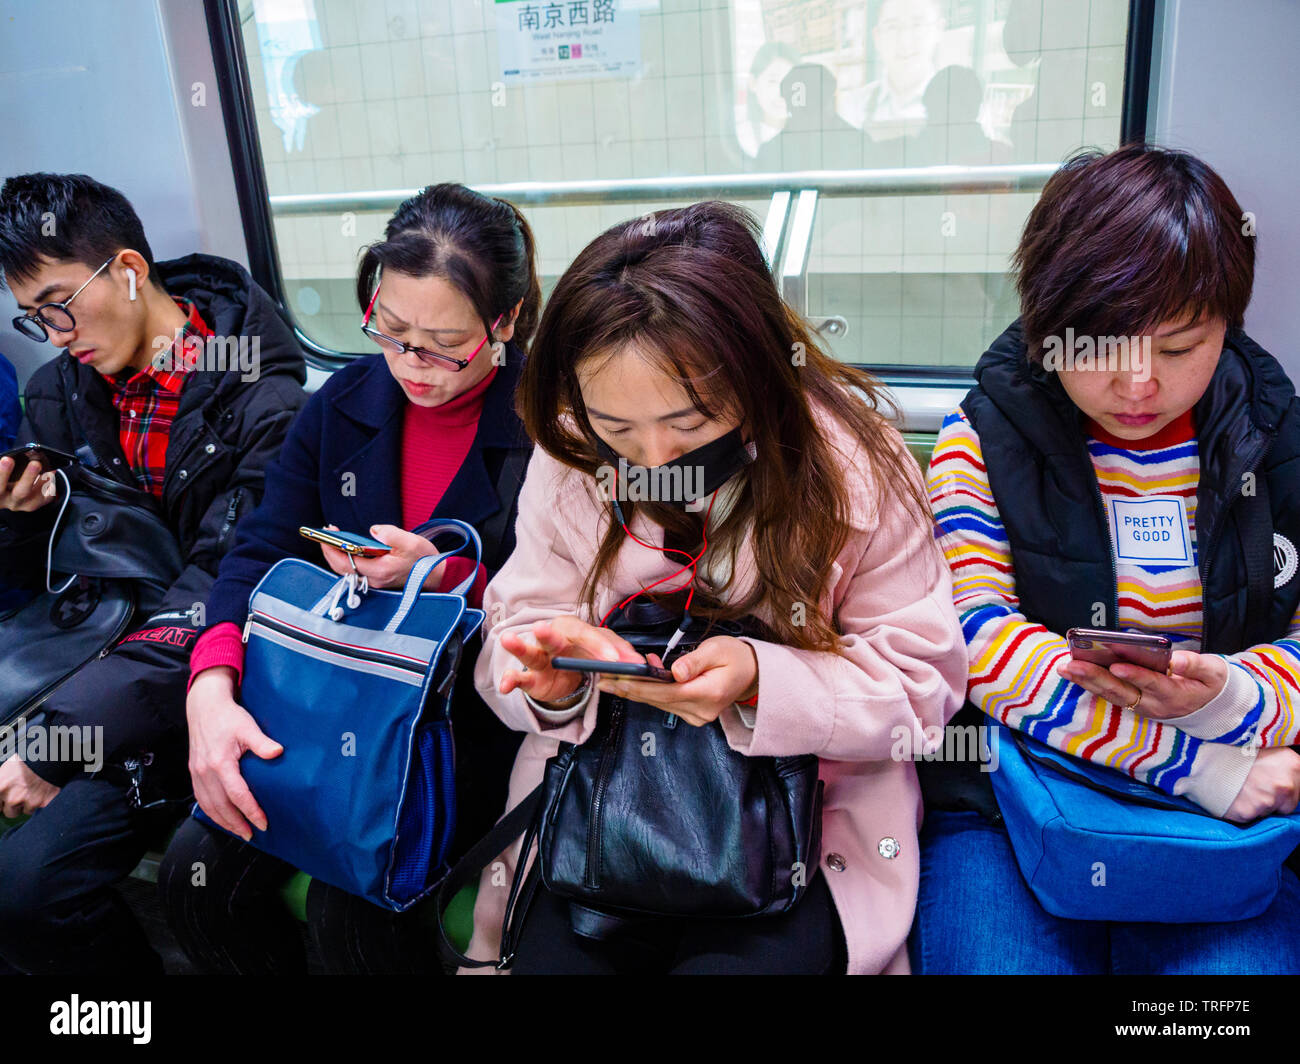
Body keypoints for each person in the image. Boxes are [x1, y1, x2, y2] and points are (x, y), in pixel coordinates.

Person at [462, 200, 967, 975]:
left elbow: (923, 685)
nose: (656, 455)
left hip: (806, 824)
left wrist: (763, 681)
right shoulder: (566, 459)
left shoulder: (858, 467)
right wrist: (553, 681)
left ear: (758, 370)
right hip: (598, 813)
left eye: (690, 421)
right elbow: (516, 630)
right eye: (618, 429)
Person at [918, 144, 1300, 974]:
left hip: (1226, 809)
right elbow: (976, 645)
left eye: (1177, 349)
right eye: (1098, 346)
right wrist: (1199, 766)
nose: (1136, 385)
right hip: (1010, 787)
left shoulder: (1277, 440)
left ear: (1228, 326)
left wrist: (1231, 694)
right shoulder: (984, 434)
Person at [160, 182, 537, 974]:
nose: (411, 364)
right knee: (196, 877)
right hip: (331, 691)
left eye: (443, 343)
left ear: (503, 322)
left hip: (463, 720)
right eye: (391, 330)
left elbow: (571, 591)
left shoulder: (549, 422)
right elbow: (258, 547)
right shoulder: (342, 402)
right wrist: (209, 684)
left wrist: (445, 581)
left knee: (352, 910)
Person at [0, 171, 307, 974]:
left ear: (129, 269)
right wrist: (17, 521)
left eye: (60, 302)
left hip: (203, 683)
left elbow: (217, 589)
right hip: (90, 668)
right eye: (33, 317)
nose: (56, 333)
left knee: (31, 887)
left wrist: (54, 742)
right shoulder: (57, 393)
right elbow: (61, 577)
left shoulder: (264, 405)